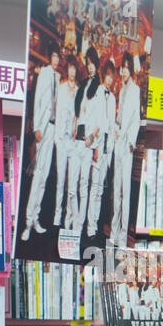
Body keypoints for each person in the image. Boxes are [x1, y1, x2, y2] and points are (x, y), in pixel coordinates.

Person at [21, 48, 60, 241]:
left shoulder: (58, 77)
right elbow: (37, 100)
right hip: (42, 128)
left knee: (44, 177)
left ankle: (36, 219)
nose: (56, 59)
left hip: (53, 129)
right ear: (50, 57)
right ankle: (27, 223)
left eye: (58, 57)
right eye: (54, 55)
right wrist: (37, 126)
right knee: (37, 175)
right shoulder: (44, 73)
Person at [66, 47, 101, 233]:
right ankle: (74, 220)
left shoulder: (100, 88)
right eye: (88, 63)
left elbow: (100, 120)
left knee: (83, 186)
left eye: (92, 63)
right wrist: (73, 128)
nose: (90, 67)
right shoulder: (83, 85)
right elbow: (77, 113)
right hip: (76, 140)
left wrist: (92, 138)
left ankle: (78, 227)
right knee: (71, 187)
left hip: (87, 143)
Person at [85, 61, 118, 239]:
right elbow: (95, 122)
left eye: (113, 77)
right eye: (108, 75)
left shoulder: (112, 98)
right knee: (94, 187)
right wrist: (96, 146)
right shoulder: (97, 93)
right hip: (99, 144)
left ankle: (96, 224)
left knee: (101, 190)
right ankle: (90, 226)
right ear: (103, 75)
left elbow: (111, 125)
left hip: (108, 146)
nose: (110, 79)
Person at [110, 51, 140, 245]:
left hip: (127, 145)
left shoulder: (135, 90)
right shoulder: (120, 90)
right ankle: (113, 232)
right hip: (118, 141)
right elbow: (120, 119)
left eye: (127, 68)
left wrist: (130, 142)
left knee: (125, 191)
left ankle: (122, 234)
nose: (124, 71)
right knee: (116, 189)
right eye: (123, 68)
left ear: (131, 70)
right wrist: (115, 128)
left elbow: (135, 118)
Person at [51, 58, 78, 231]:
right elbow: (56, 111)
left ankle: (68, 217)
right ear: (67, 70)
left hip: (73, 141)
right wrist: (56, 137)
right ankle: (57, 215)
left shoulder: (78, 91)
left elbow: (78, 115)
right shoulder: (61, 89)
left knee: (71, 183)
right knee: (60, 181)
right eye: (70, 68)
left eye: (74, 69)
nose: (72, 72)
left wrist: (76, 131)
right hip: (61, 139)